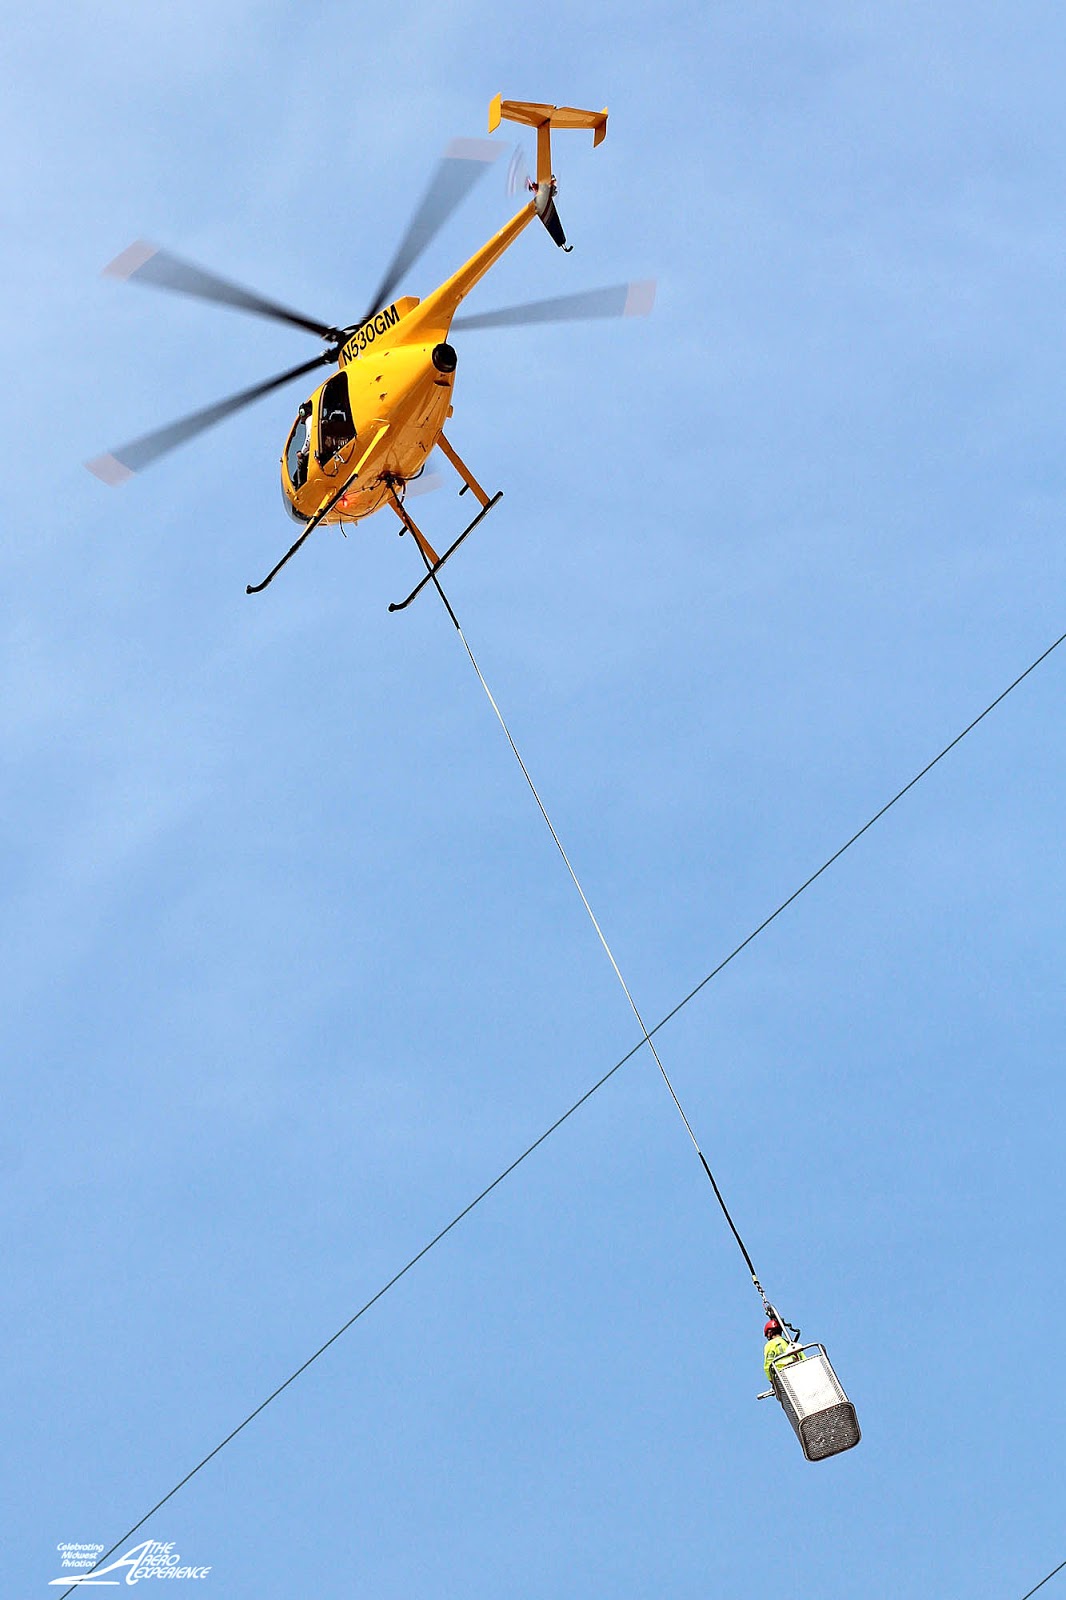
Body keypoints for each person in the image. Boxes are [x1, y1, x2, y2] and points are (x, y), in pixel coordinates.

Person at [763, 1316, 804, 1384]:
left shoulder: (770, 1344)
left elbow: (768, 1365)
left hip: (783, 1375)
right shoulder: (791, 1343)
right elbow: (803, 1358)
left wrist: (772, 1381)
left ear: (769, 1332)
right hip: (799, 1371)